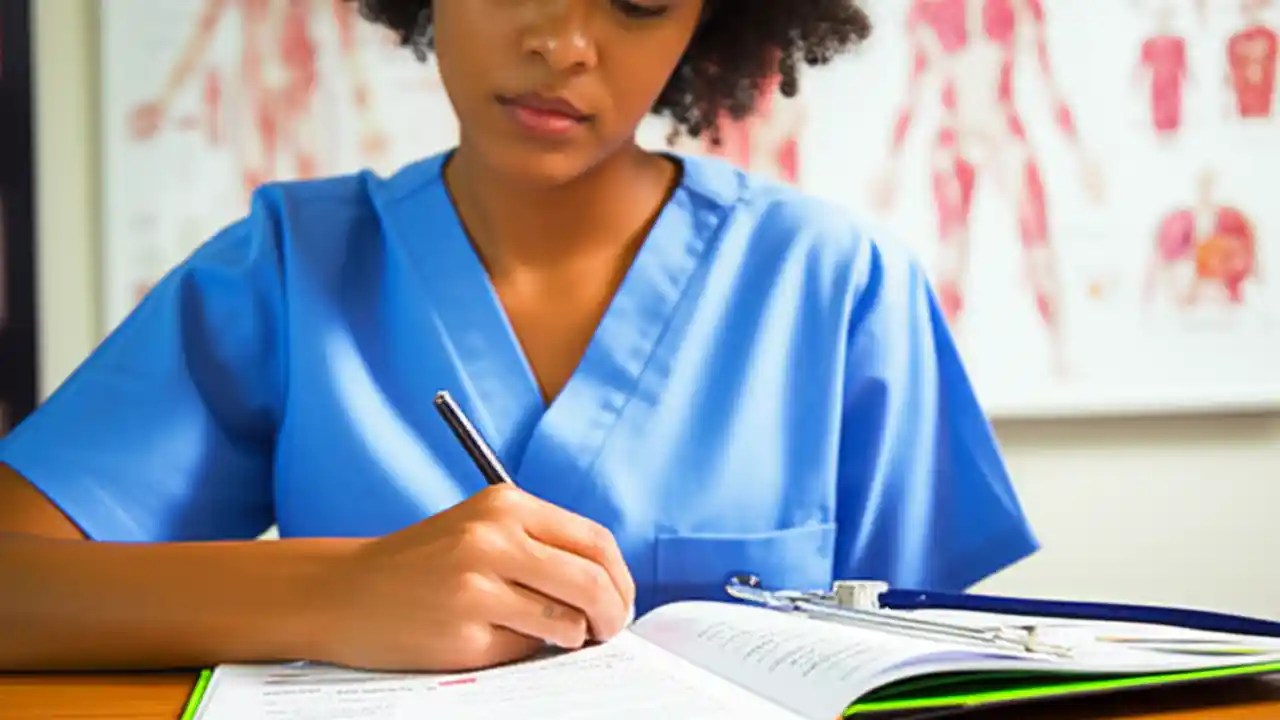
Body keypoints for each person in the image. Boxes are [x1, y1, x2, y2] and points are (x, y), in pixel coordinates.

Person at [0, 0, 1037, 675]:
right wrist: (333, 592)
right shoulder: (285, 268)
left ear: (708, 24)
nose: (560, 43)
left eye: (634, 0)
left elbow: (918, 668)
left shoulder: (835, 285)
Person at [871, 0, 1104, 379]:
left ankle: (1059, 352)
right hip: (955, 132)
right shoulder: (928, 10)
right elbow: (913, 90)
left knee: (1037, 244)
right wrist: (890, 164)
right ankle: (944, 369)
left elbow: (1049, 84)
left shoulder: (1020, 8)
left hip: (1001, 129)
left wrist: (1081, 156)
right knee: (952, 251)